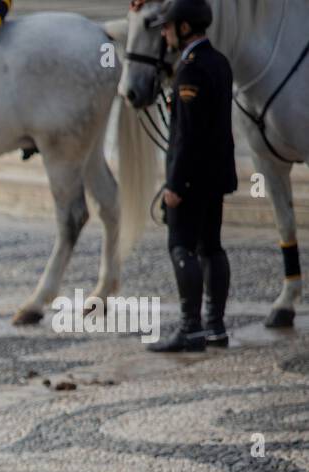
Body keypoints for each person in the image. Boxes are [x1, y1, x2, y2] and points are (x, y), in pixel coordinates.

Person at [147, 0, 238, 352]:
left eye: (168, 27)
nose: (165, 33)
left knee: (181, 246)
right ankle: (215, 327)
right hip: (216, 175)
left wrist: (175, 184)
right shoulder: (219, 61)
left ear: (185, 28)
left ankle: (191, 329)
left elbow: (188, 135)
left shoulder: (191, 70)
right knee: (211, 247)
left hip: (192, 178)